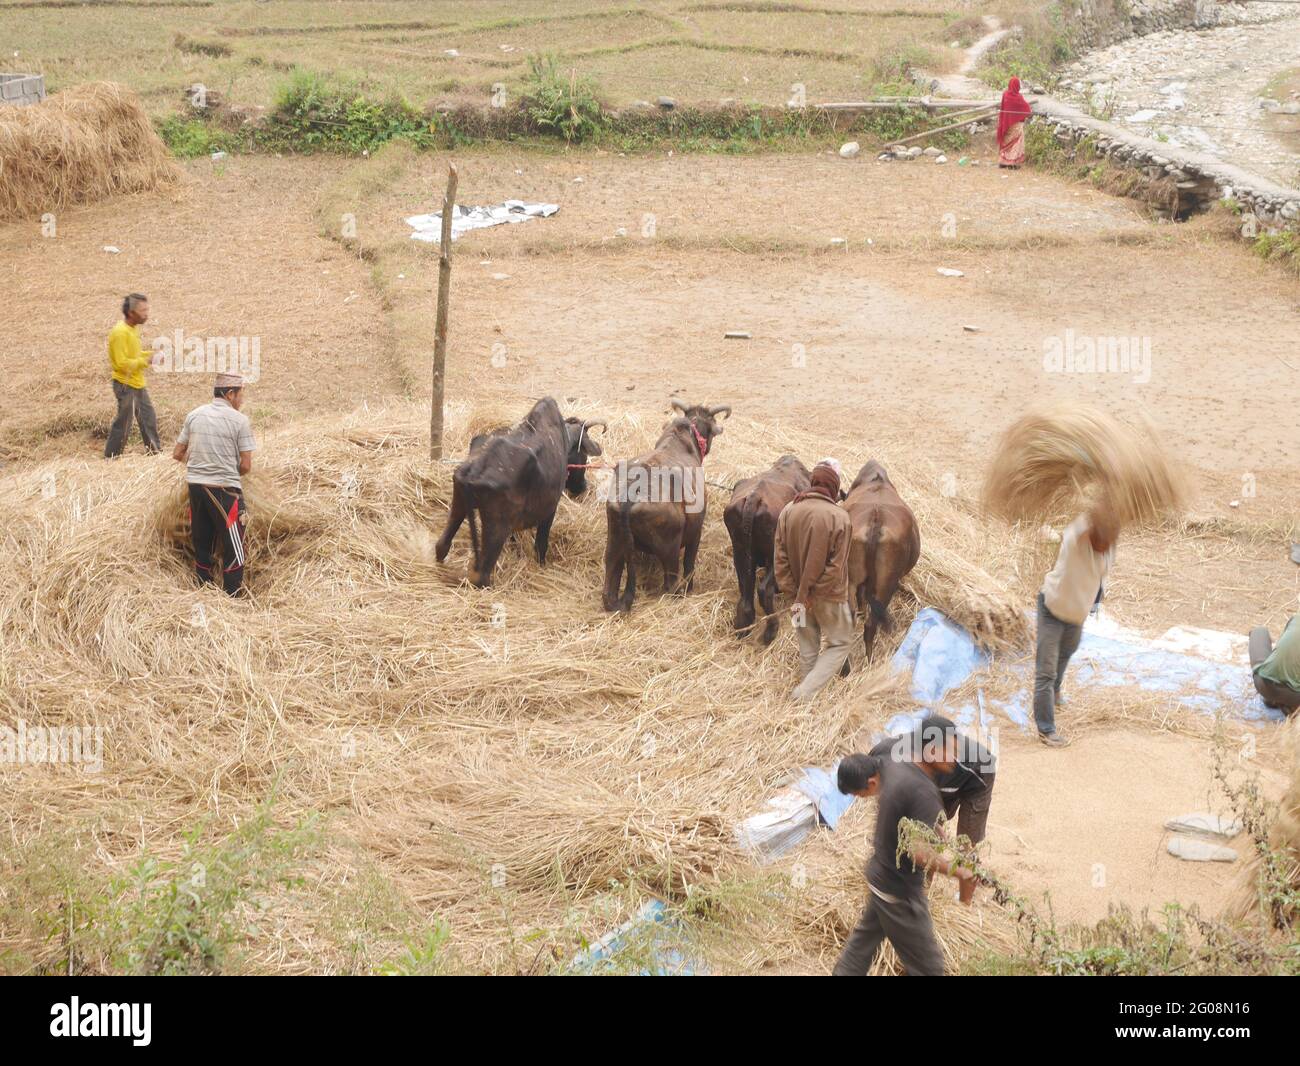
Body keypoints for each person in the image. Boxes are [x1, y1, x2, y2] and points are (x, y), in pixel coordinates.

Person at [832, 717, 975, 976]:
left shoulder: (893, 762)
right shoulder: (923, 791)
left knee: (861, 947)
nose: (955, 758)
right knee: (929, 968)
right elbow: (918, 853)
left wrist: (931, 825)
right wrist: (960, 871)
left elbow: (904, 809)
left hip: (879, 877)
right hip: (899, 892)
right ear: (931, 748)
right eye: (950, 749)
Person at [1034, 500, 1117, 746]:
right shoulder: (1075, 541)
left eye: (1109, 541)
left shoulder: (1109, 548)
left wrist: (1095, 605)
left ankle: (1056, 692)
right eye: (1101, 540)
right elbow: (1086, 521)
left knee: (1067, 651)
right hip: (1052, 609)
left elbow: (1101, 580)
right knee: (1045, 673)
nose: (1105, 545)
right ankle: (1046, 729)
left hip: (1076, 614)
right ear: (1091, 534)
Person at [870, 723, 996, 879]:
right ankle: (922, 879)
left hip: (979, 771)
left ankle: (969, 878)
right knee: (921, 831)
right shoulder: (879, 756)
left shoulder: (922, 772)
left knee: (966, 842)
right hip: (938, 777)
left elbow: (922, 814)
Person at [774, 460, 853, 702]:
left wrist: (795, 593)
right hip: (829, 598)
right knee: (840, 643)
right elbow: (835, 568)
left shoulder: (788, 510)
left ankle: (805, 700)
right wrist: (813, 595)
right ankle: (804, 694)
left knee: (807, 643)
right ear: (834, 486)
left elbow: (780, 558)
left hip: (796, 597)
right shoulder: (840, 517)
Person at [172, 373, 256, 595]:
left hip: (195, 487)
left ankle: (203, 589)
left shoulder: (194, 415)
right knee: (235, 546)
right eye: (240, 395)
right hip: (224, 490)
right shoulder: (240, 421)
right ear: (230, 394)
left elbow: (177, 453)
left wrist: (201, 465)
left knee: (203, 540)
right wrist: (224, 469)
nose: (242, 400)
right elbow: (246, 466)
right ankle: (233, 595)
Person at [105, 293, 161, 457]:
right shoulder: (120, 333)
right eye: (143, 310)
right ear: (131, 313)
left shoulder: (132, 329)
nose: (146, 314)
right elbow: (121, 364)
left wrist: (150, 355)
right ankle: (112, 457)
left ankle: (155, 453)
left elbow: (134, 355)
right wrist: (147, 361)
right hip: (125, 384)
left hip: (136, 382)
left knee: (148, 418)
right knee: (124, 423)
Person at [1249, 612, 1300, 713]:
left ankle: (1274, 700)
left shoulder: (1296, 619)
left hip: (1263, 684)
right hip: (1295, 696)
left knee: (1259, 632)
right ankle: (1291, 706)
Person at [997, 76, 1032, 169]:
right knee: (1017, 142)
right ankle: (1012, 163)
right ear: (1018, 86)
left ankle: (1003, 162)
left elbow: (1003, 108)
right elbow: (1027, 109)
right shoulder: (1019, 97)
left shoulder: (1005, 95)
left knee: (1006, 142)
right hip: (1016, 125)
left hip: (1006, 124)